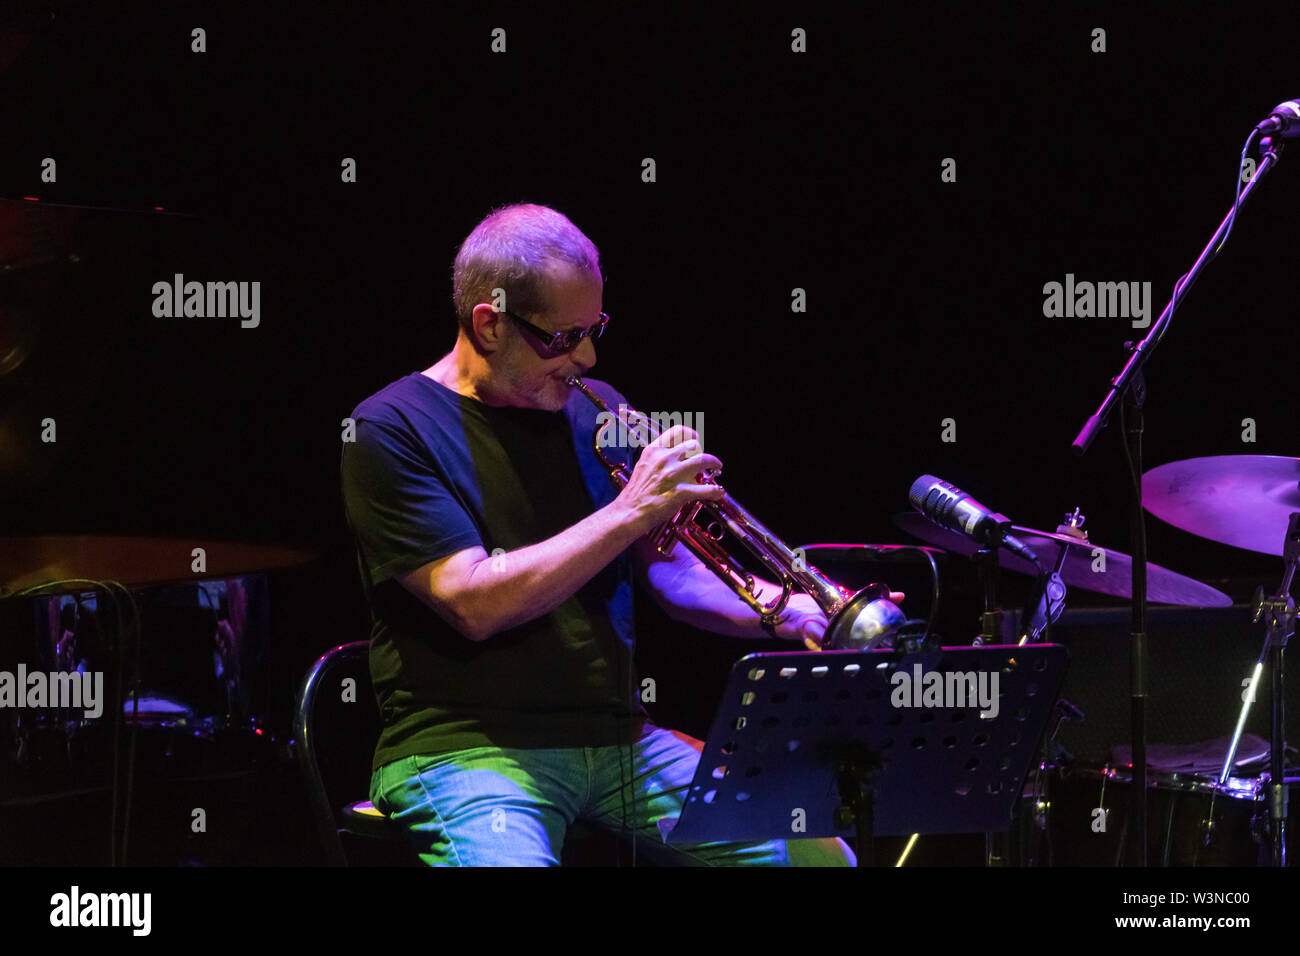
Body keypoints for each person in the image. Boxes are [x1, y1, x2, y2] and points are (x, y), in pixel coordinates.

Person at [340, 202, 858, 866]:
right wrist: (630, 511)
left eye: (593, 329)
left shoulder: (600, 409)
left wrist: (797, 612)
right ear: (489, 324)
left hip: (620, 743)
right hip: (466, 747)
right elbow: (473, 601)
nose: (585, 356)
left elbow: (673, 572)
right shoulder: (390, 429)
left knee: (821, 858)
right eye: (562, 337)